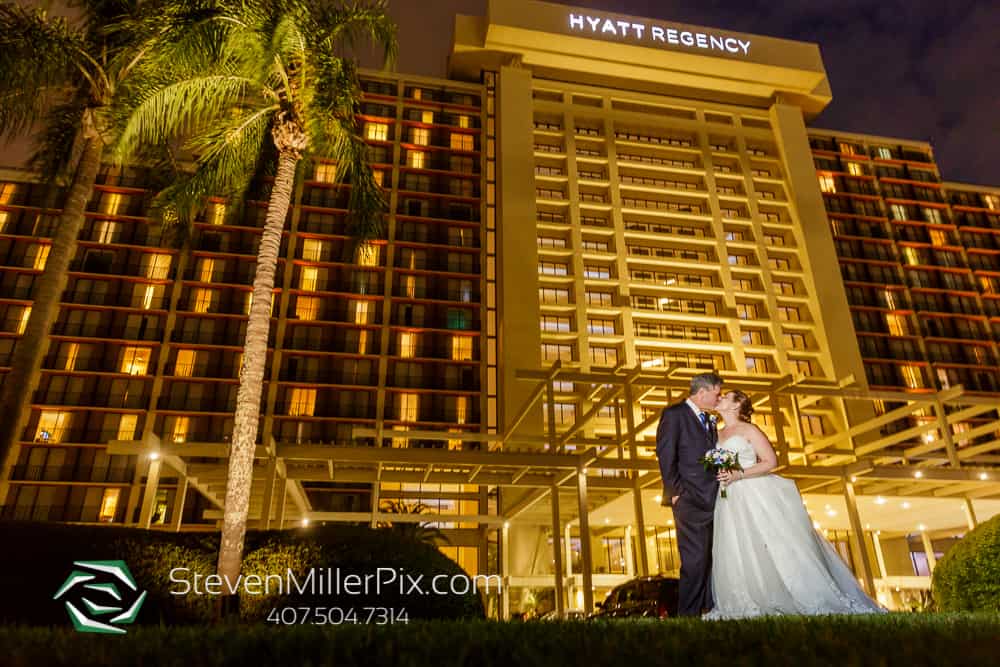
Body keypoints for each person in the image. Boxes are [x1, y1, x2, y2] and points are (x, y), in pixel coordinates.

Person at [704, 390, 887, 619]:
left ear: (736, 406)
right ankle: (747, 596)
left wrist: (738, 475)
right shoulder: (717, 434)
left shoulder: (749, 430)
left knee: (776, 544)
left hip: (753, 493)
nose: (719, 398)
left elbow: (771, 461)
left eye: (726, 396)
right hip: (729, 498)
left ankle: (801, 594)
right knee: (738, 546)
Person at [655, 372, 723, 616]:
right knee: (694, 559)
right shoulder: (674, 415)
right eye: (717, 394)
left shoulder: (710, 420)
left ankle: (707, 609)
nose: (719, 398)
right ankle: (688, 615)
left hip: (713, 498)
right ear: (702, 392)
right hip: (689, 499)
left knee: (710, 557)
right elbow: (665, 453)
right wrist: (675, 493)